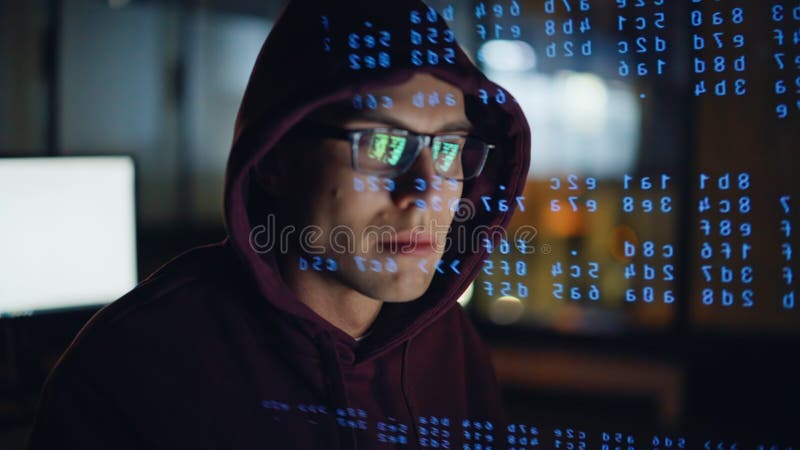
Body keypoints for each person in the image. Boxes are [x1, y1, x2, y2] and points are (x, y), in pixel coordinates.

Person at [28, 0, 530, 448]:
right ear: (274, 160)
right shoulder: (134, 366)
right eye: (380, 144)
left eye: (447, 148)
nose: (423, 190)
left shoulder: (448, 343)